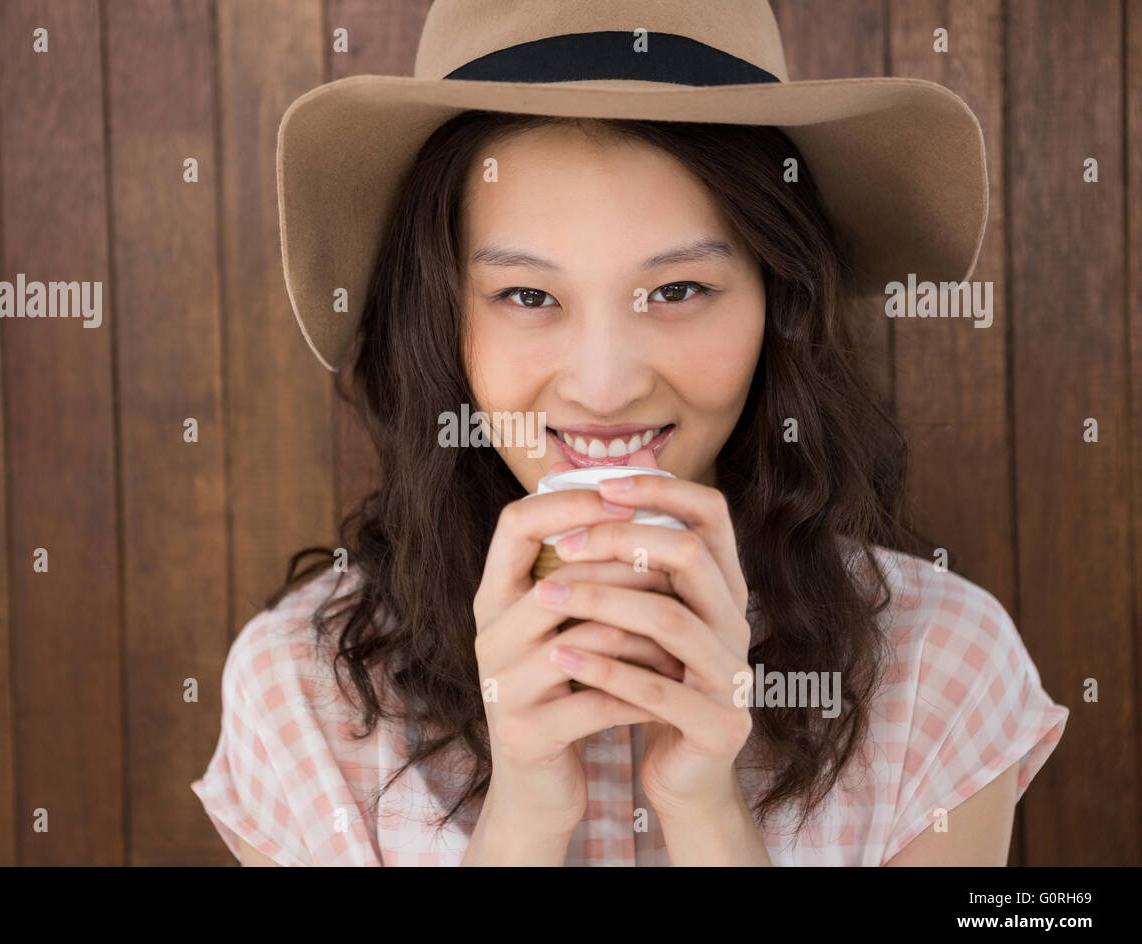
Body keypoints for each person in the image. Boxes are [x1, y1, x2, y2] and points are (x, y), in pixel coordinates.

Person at [191, 0, 1068, 866]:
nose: (605, 388)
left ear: (780, 302)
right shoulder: (302, 697)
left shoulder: (939, 666)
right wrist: (524, 821)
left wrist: (707, 812)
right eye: (528, 297)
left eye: (679, 290)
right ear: (442, 322)